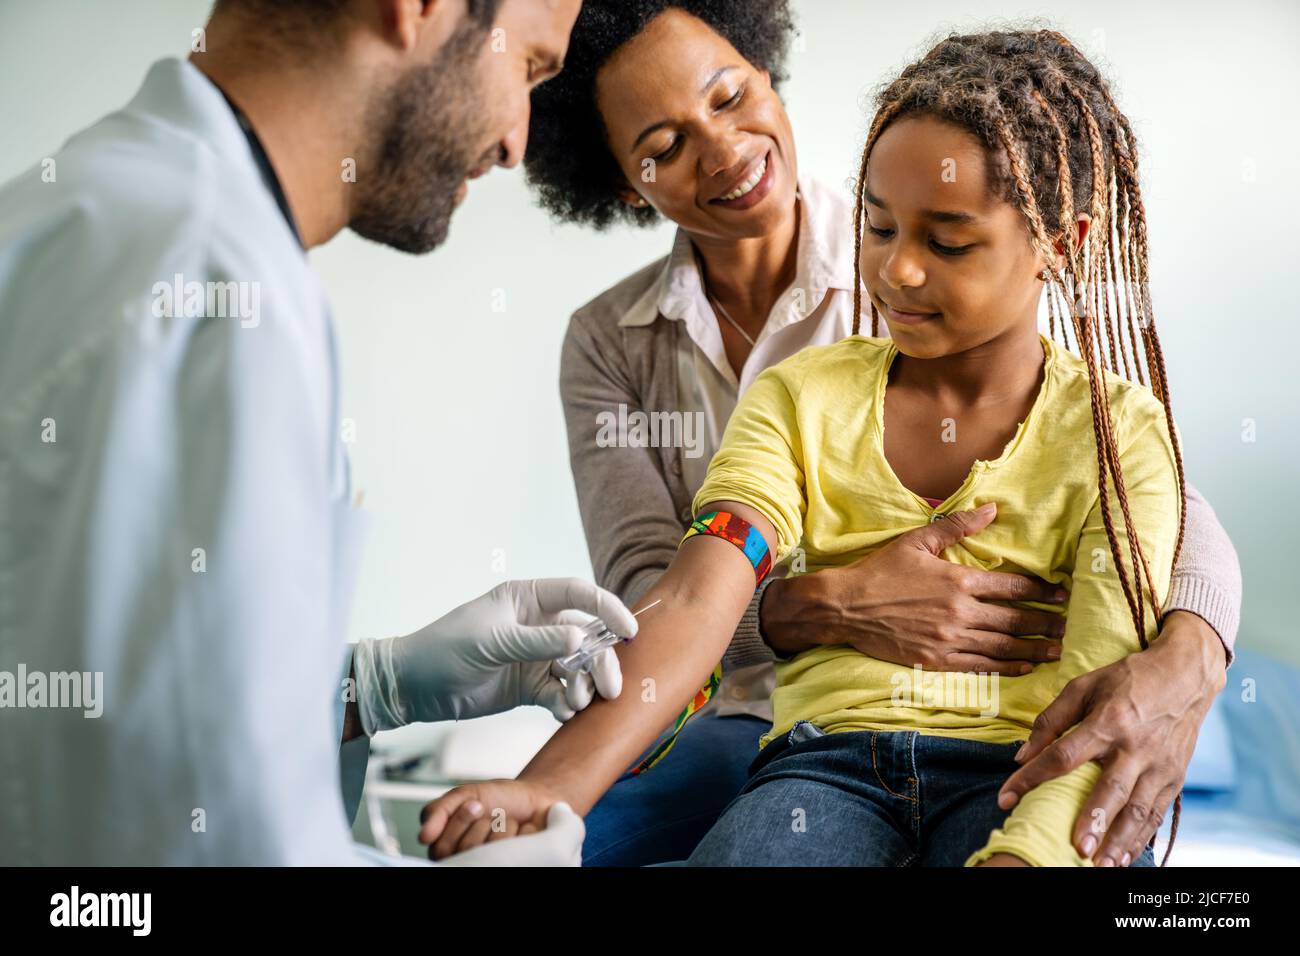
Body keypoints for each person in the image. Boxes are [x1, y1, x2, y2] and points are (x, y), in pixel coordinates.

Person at [420, 10, 1240, 867]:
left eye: (731, 96)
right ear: (628, 182)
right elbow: (673, 593)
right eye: (666, 142)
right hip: (786, 742)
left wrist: (1192, 654)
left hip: (1015, 760)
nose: (897, 270)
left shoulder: (1101, 420)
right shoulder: (750, 380)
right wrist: (547, 786)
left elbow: (1161, 532)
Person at [0, 0, 626, 865]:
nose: (519, 140)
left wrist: (370, 687)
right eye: (527, 68)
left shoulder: (108, 210)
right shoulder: (211, 283)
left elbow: (102, 716)